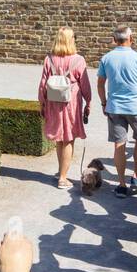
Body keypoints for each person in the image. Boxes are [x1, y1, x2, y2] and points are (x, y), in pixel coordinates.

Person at [97, 27, 137, 197]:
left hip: (115, 107)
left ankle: (121, 184)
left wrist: (104, 103)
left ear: (114, 39)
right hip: (136, 107)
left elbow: (100, 84)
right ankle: (136, 176)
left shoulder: (106, 58)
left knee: (119, 144)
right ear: (131, 38)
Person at [37, 25, 92, 189]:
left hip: (54, 102)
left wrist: (42, 102)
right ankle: (63, 177)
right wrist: (88, 102)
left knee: (59, 139)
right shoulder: (78, 60)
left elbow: (42, 84)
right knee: (68, 139)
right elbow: (85, 85)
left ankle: (61, 171)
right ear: (71, 40)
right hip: (71, 102)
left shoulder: (49, 59)